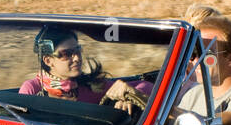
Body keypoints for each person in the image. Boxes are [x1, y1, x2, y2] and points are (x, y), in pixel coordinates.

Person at [19, 25, 152, 114]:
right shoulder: (33, 89)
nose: (77, 58)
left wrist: (129, 95)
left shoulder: (92, 86)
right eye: (67, 54)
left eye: (78, 50)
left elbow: (147, 86)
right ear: (48, 61)